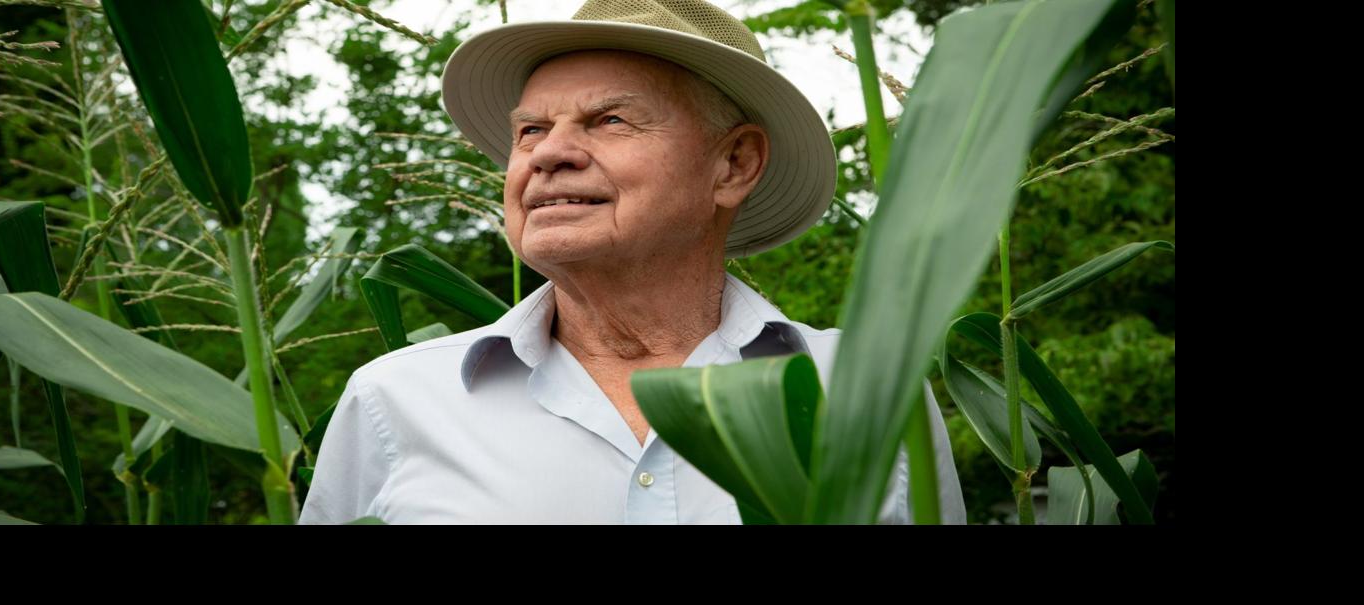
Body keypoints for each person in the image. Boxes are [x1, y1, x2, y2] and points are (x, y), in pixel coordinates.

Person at [298, 0, 965, 524]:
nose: (546, 154)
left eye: (610, 120)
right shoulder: (394, 401)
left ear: (734, 164)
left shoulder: (868, 392)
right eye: (530, 130)